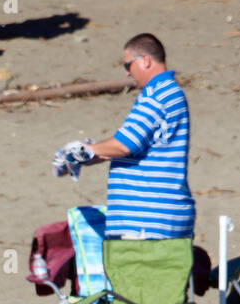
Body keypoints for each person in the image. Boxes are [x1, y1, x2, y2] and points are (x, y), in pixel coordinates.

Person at [54, 33, 195, 239]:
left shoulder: (157, 95)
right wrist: (86, 155)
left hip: (148, 220)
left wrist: (82, 150)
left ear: (145, 60)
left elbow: (123, 146)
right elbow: (127, 148)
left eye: (128, 65)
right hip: (158, 218)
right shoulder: (166, 92)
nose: (128, 73)